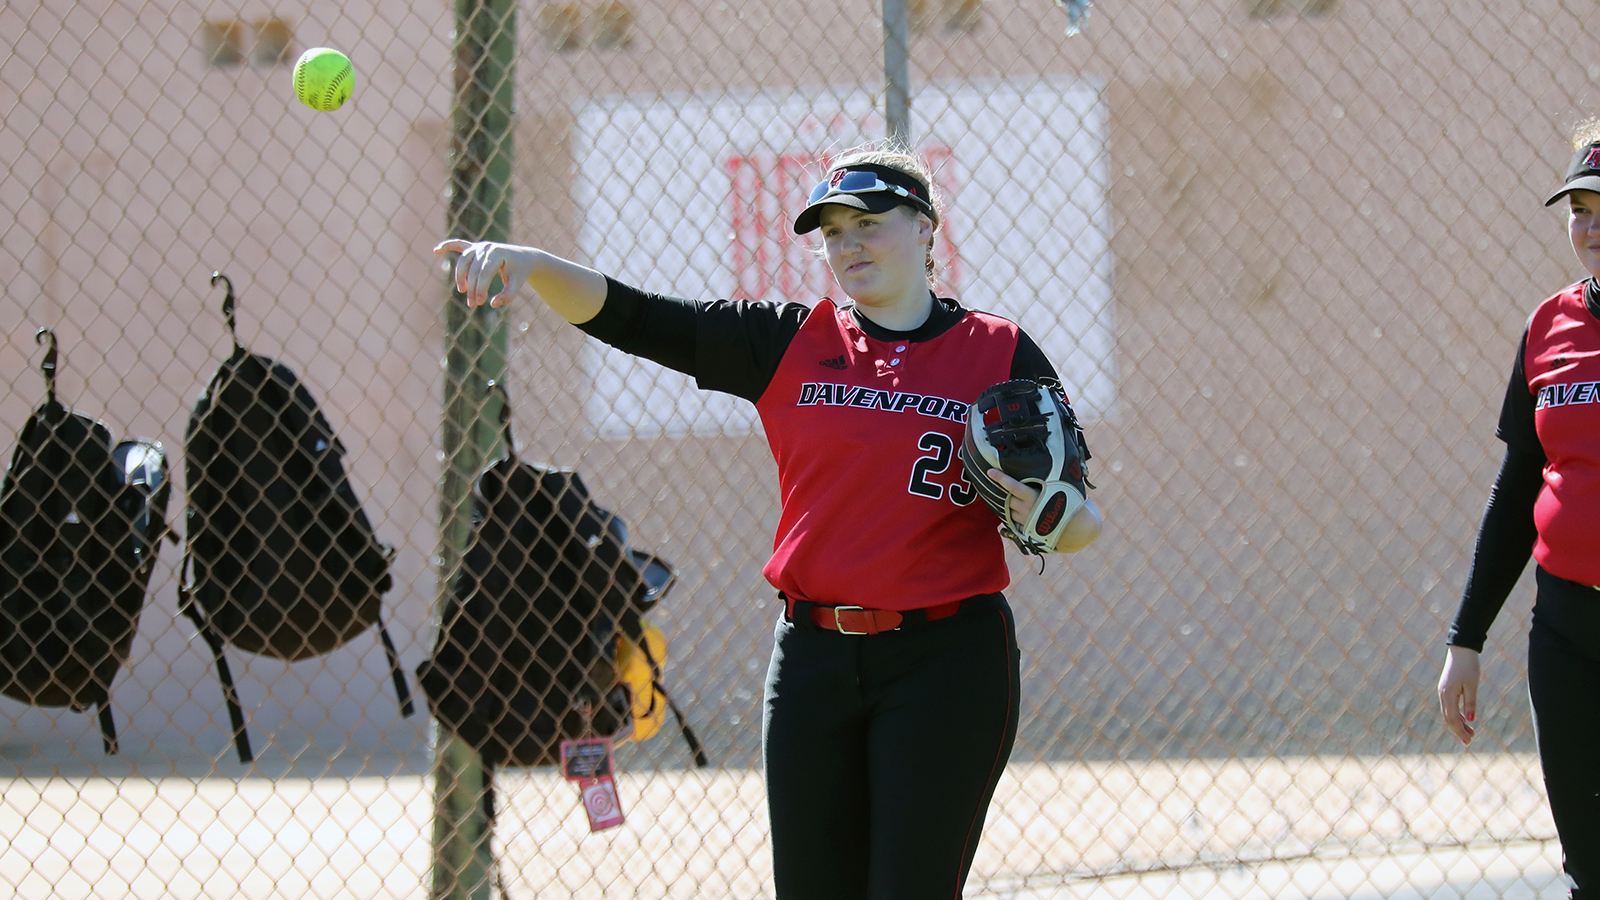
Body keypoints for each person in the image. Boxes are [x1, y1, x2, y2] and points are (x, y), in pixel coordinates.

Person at [436, 141, 1102, 900]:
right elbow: (639, 318)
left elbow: (1078, 520)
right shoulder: (788, 341)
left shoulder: (999, 349)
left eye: (869, 222)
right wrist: (531, 263)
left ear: (925, 228)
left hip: (947, 663)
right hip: (812, 661)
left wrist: (1048, 515)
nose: (848, 244)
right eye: (833, 231)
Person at [1438, 122, 1600, 900]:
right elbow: (1515, 494)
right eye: (1579, 206)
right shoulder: (1548, 326)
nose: (1591, 224)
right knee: (1589, 865)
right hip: (1567, 627)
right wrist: (1465, 639)